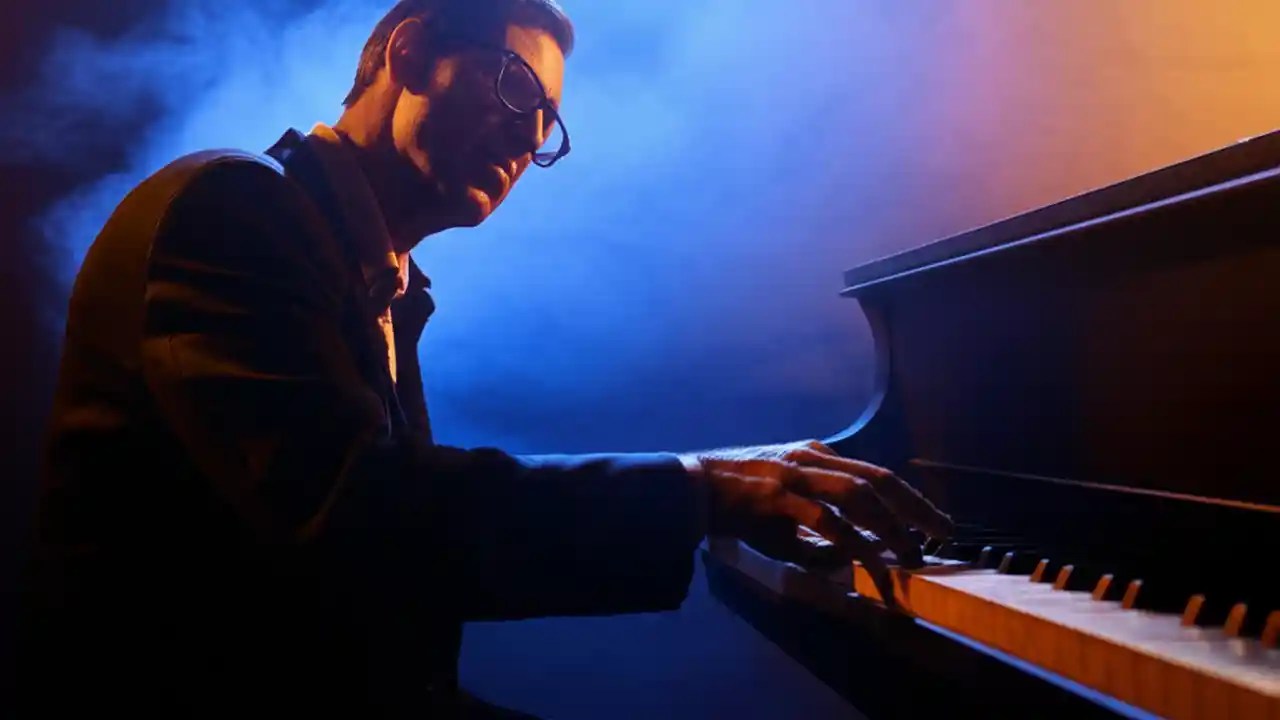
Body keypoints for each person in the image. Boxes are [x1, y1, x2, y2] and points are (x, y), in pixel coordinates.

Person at [17, 0, 952, 717]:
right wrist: (698, 486)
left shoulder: (379, 277)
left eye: (547, 120)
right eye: (517, 89)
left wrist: (703, 488)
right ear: (412, 52)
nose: (531, 136)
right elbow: (360, 520)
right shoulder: (233, 208)